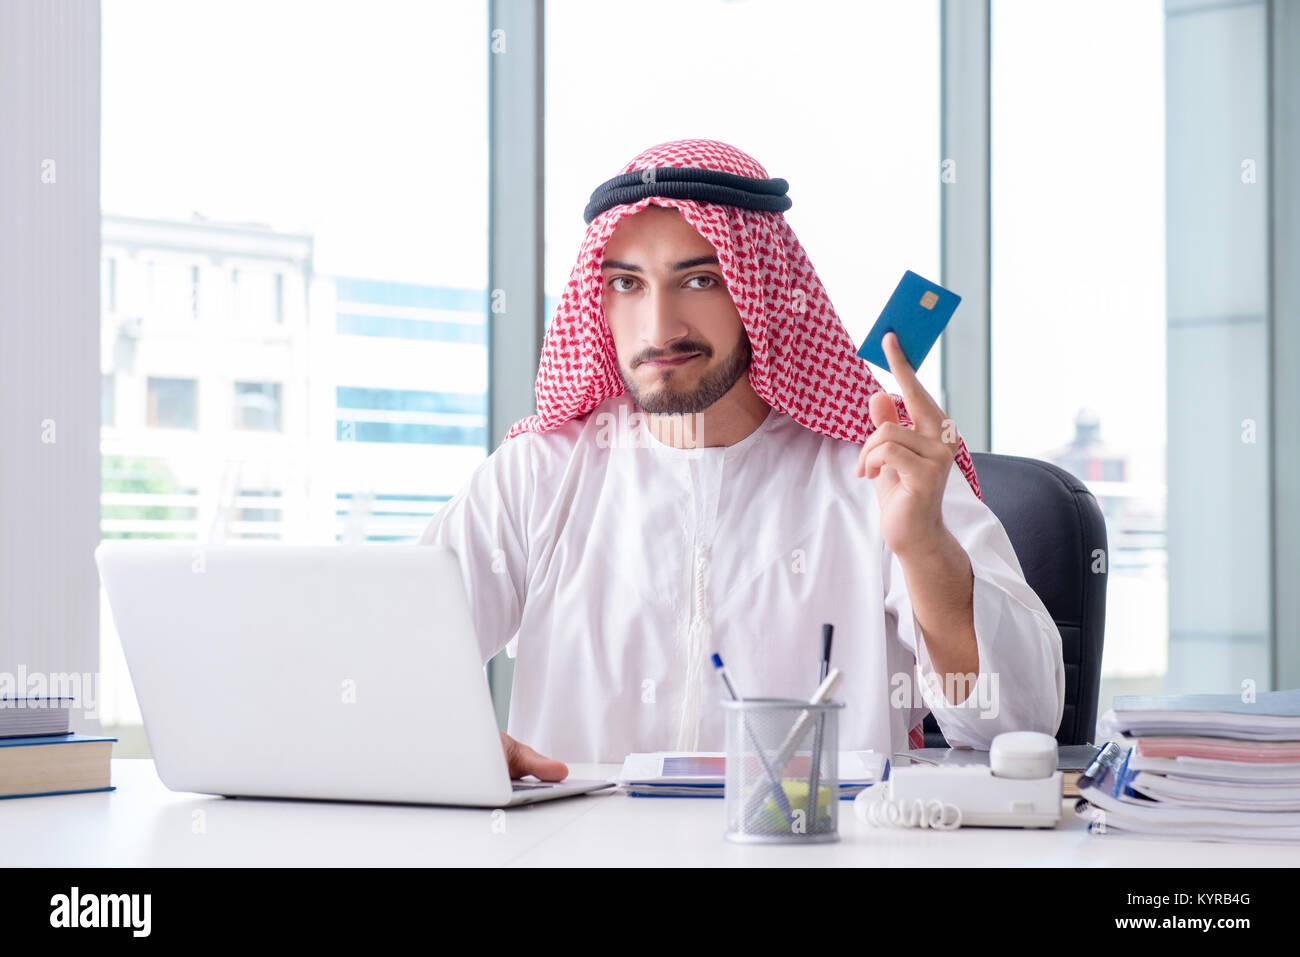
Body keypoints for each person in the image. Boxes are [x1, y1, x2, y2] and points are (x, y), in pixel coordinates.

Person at [419, 138, 1065, 780]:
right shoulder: (536, 477)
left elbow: (1020, 722)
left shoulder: (882, 469)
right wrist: (456, 744)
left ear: (760, 287)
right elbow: (382, 667)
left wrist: (925, 550)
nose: (659, 326)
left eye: (699, 279)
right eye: (627, 283)